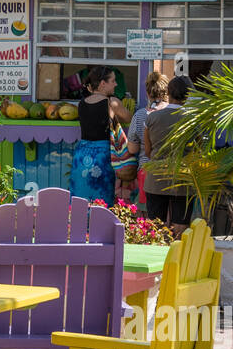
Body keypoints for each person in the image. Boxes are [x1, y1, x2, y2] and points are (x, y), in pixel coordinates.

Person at [68, 66, 131, 205]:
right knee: (101, 199)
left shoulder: (82, 103)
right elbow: (128, 118)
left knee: (80, 198)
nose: (116, 84)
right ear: (103, 83)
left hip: (81, 155)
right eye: (113, 81)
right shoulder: (112, 102)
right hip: (102, 156)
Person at [142, 75, 193, 229]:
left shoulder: (152, 117)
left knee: (156, 227)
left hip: (156, 177)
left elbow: (148, 151)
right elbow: (198, 150)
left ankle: (157, 253)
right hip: (182, 177)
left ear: (168, 93)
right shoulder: (193, 119)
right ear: (188, 95)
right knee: (181, 226)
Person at [127, 71, 170, 213]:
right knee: (169, 211)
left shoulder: (140, 115)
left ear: (147, 92)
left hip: (147, 168)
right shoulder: (175, 114)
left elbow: (132, 149)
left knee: (148, 213)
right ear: (166, 92)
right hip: (172, 169)